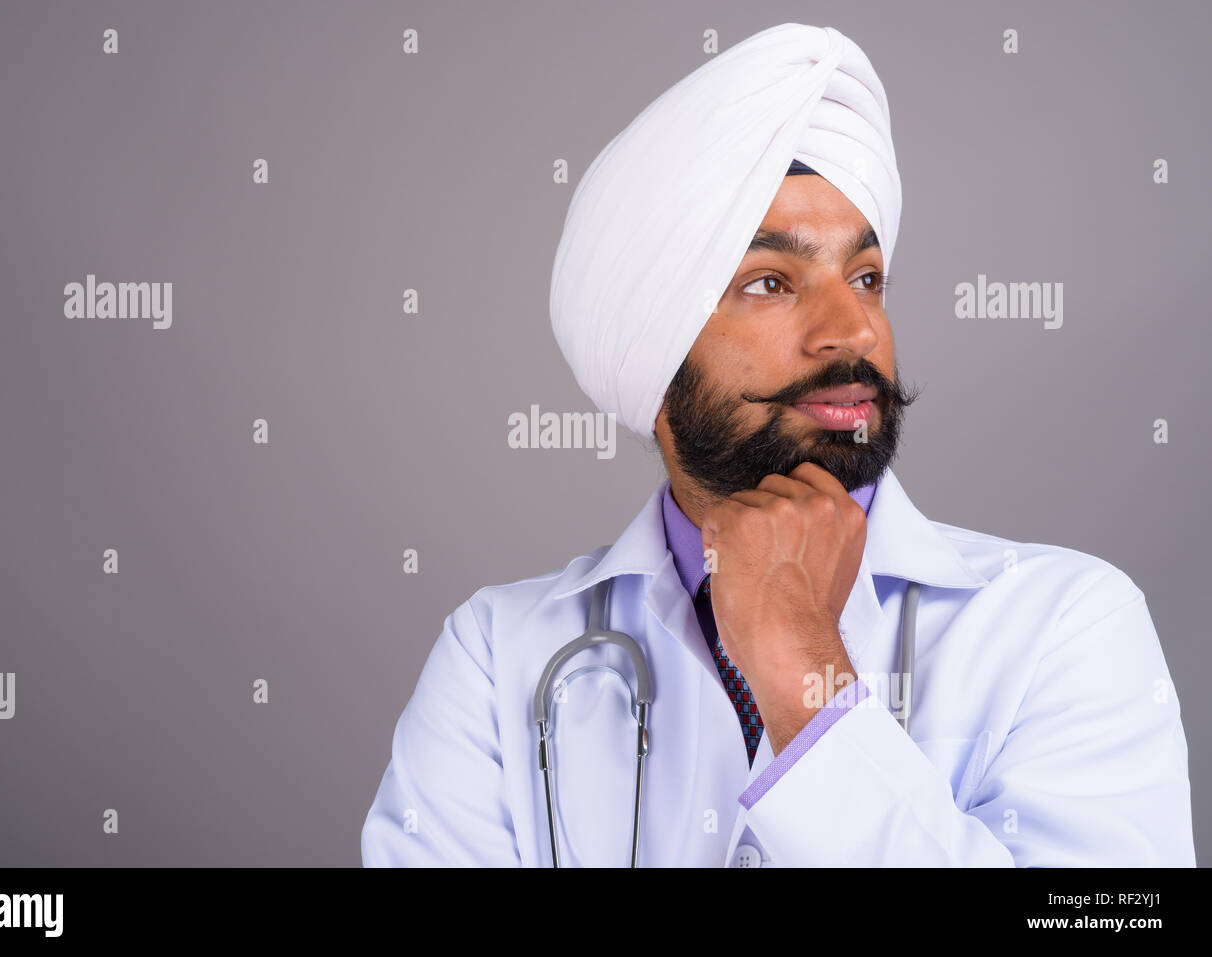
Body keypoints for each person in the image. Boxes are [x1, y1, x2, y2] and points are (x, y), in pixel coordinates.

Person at [360, 23, 1195, 867]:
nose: (853, 328)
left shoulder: (1067, 626)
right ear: (652, 356)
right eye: (771, 283)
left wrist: (809, 688)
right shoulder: (497, 655)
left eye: (865, 277)